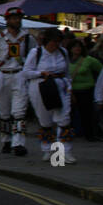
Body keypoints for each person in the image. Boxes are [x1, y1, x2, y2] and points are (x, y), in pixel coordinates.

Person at [0, 8, 37, 156]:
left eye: (18, 18)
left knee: (19, 112)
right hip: (2, 76)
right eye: (13, 18)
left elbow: (33, 59)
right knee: (4, 113)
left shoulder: (28, 38)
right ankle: (6, 140)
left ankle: (18, 143)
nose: (16, 21)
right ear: (7, 20)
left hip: (20, 75)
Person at [23, 30, 74, 164]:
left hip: (60, 86)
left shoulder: (63, 52)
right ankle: (47, 149)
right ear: (46, 41)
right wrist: (41, 73)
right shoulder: (36, 53)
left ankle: (64, 152)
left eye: (58, 41)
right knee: (45, 121)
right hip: (41, 86)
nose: (55, 45)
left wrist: (69, 86)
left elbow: (67, 72)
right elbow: (26, 72)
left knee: (64, 119)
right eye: (53, 41)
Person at [69, 40, 102, 141]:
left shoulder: (88, 60)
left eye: (79, 47)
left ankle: (89, 135)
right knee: (68, 114)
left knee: (86, 114)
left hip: (86, 91)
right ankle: (68, 134)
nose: (77, 48)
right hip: (70, 91)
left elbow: (102, 70)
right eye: (75, 46)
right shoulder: (65, 60)